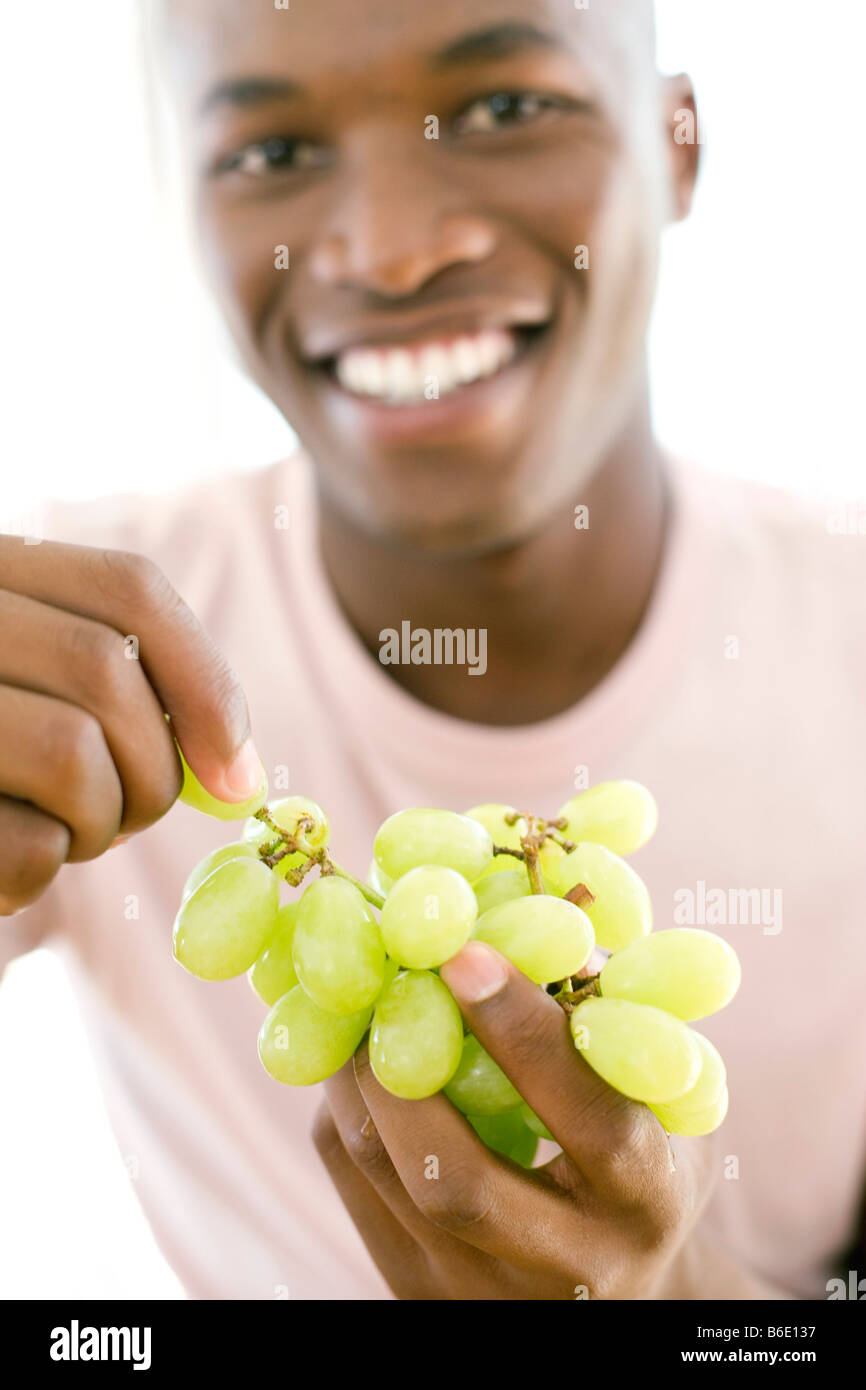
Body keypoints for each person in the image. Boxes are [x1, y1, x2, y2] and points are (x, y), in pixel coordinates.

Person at [1, 0, 864, 1301]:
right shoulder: (64, 641)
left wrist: (678, 1304)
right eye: (270, 153)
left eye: (507, 108)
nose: (393, 252)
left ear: (676, 140)